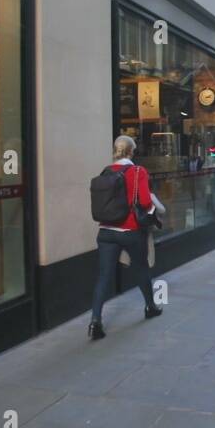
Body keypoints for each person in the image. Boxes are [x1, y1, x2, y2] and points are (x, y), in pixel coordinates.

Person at [89, 136, 162, 340]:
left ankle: (95, 320)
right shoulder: (138, 171)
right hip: (130, 230)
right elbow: (146, 202)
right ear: (131, 152)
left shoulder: (106, 172)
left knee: (103, 276)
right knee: (141, 269)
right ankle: (150, 306)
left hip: (105, 232)